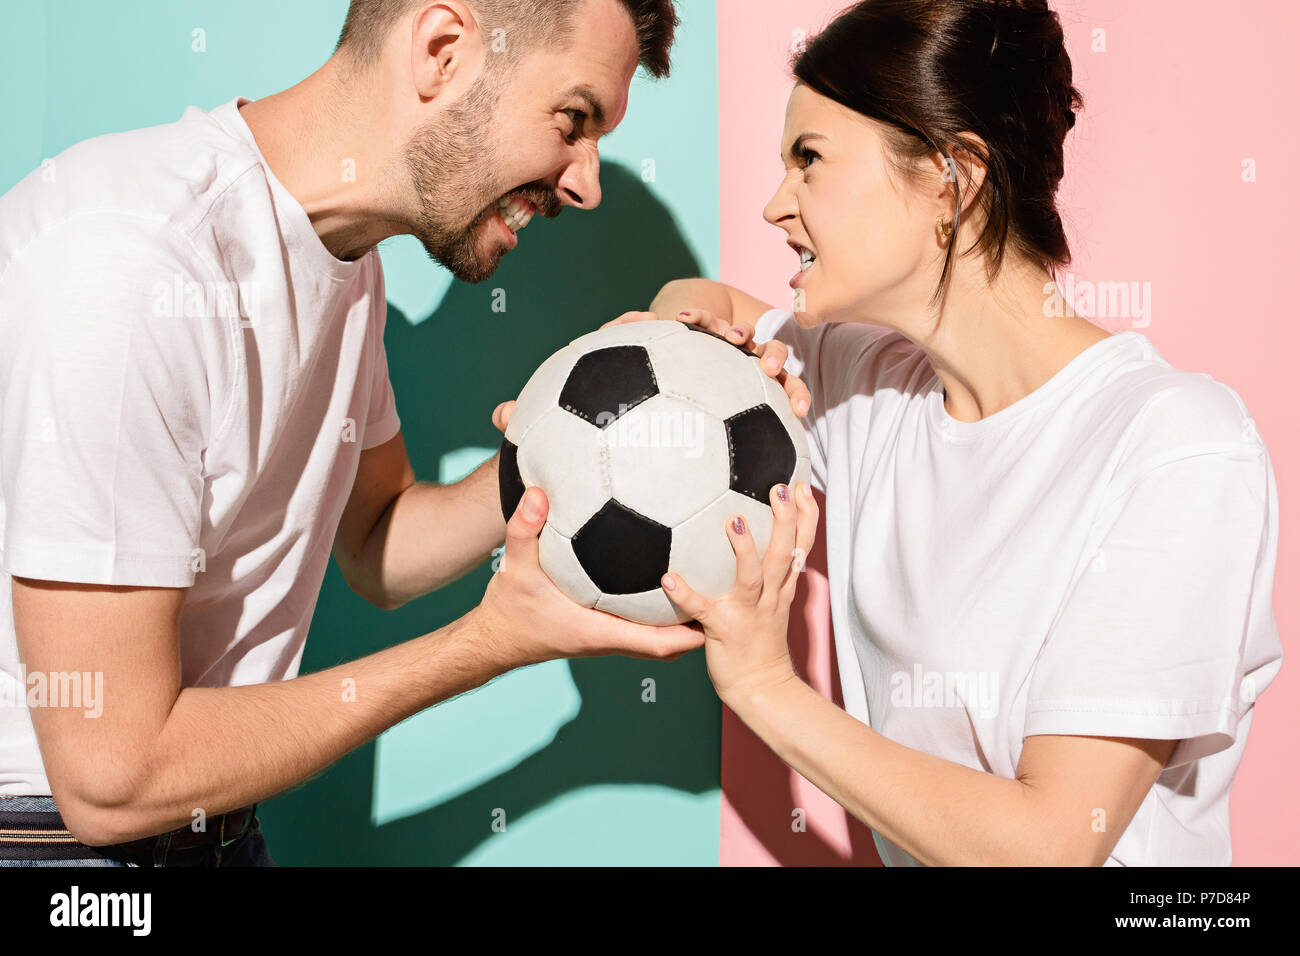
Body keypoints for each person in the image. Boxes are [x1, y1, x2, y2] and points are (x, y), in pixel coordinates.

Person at [0, 0, 808, 867]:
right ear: (443, 50)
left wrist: (586, 432)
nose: (587, 182)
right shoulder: (132, 266)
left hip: (210, 833)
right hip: (49, 848)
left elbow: (378, 542)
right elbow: (111, 780)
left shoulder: (346, 265)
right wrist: (484, 647)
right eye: (573, 121)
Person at [645, 0, 1283, 865]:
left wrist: (765, 686)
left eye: (810, 163)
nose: (773, 207)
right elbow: (702, 306)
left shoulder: (1176, 447)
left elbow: (1049, 847)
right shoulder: (869, 389)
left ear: (952, 177)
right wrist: (663, 378)